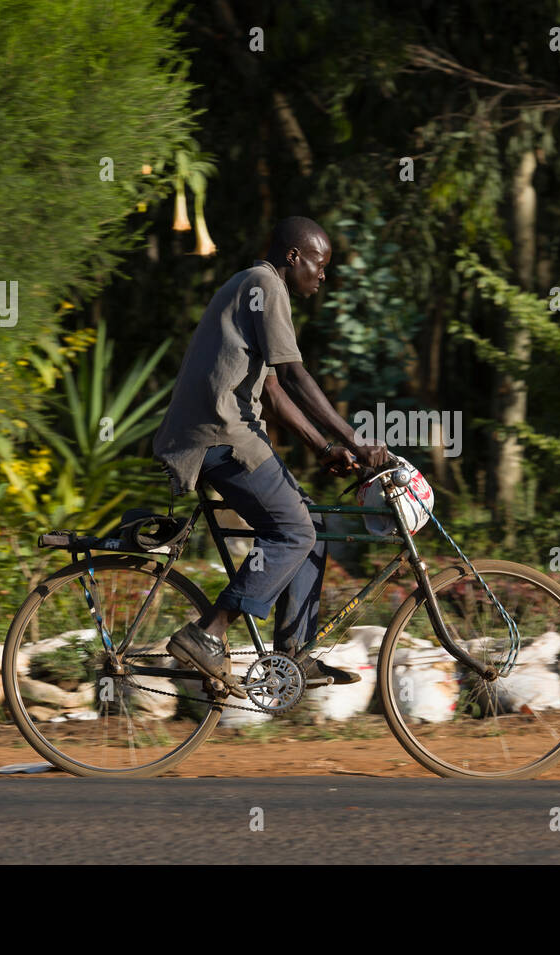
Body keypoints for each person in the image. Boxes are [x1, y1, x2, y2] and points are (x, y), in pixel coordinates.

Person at [153, 216, 392, 696]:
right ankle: (208, 634)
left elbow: (275, 390)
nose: (322, 276)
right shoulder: (266, 284)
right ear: (292, 257)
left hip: (229, 432)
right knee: (294, 530)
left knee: (311, 527)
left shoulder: (253, 286)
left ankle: (293, 657)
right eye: (318, 264)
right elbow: (298, 377)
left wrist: (325, 447)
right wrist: (357, 440)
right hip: (221, 435)